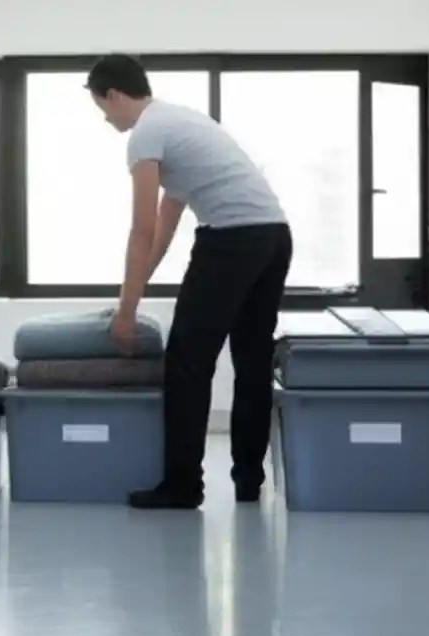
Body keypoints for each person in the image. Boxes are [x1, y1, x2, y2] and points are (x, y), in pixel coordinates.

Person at [86, 54, 293, 510]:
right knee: (252, 360)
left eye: (102, 106)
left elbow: (140, 230)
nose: (105, 118)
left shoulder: (145, 134)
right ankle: (248, 481)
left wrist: (126, 313)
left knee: (187, 361)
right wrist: (133, 294)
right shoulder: (180, 121)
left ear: (113, 94)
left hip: (232, 240)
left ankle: (182, 485)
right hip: (274, 236)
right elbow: (164, 225)